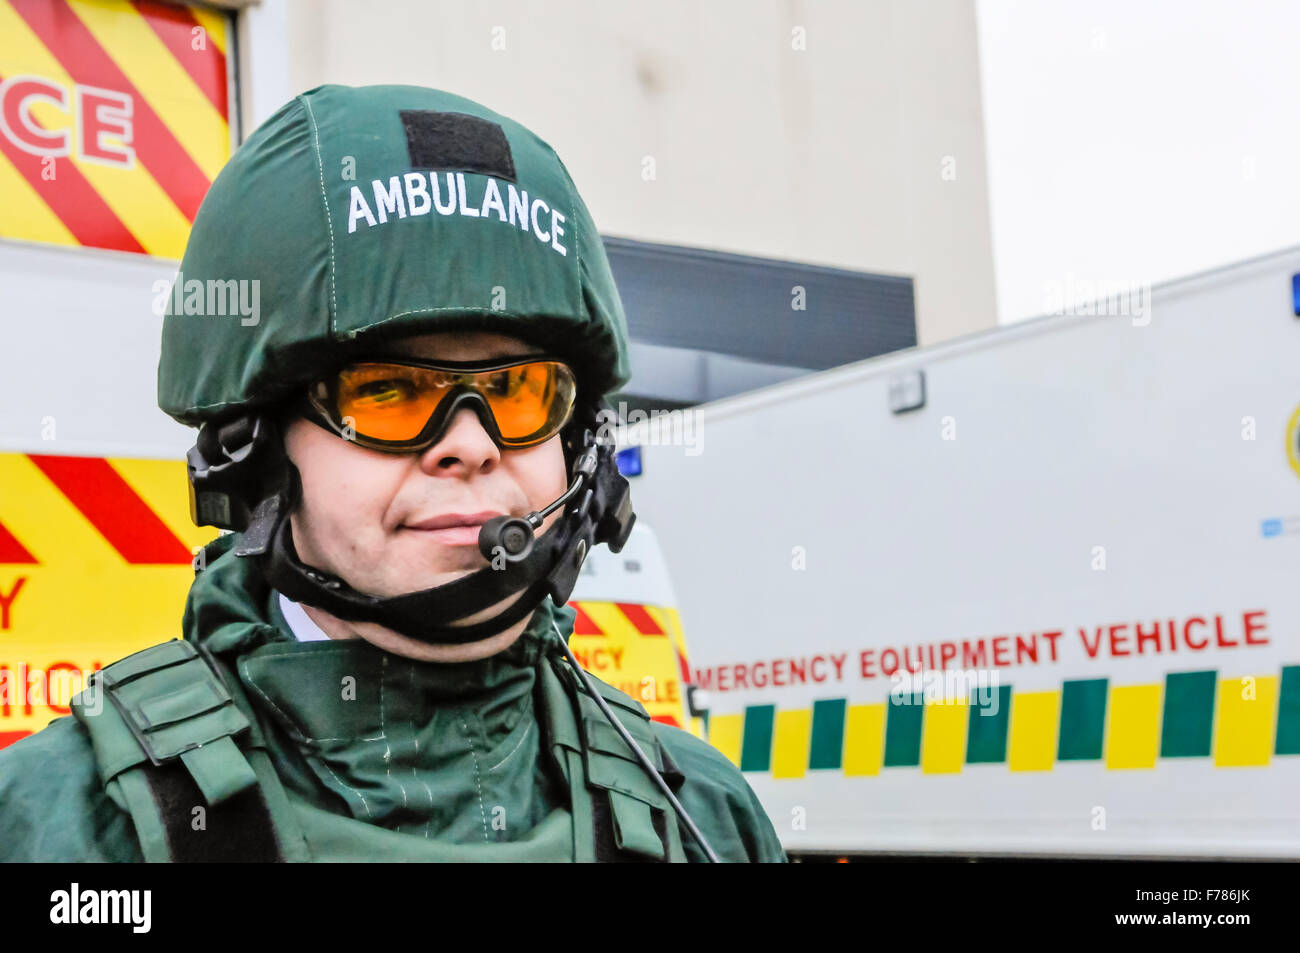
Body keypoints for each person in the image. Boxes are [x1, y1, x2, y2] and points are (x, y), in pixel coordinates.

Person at [0, 84, 786, 863]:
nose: (471, 445)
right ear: (257, 451)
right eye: (387, 391)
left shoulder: (701, 813)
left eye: (519, 390)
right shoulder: (64, 823)